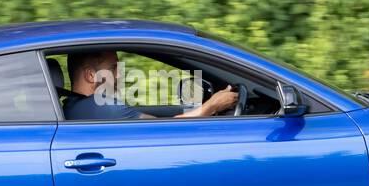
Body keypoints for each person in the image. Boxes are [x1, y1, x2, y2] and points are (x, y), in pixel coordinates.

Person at [62, 50, 239, 120]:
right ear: (91, 75)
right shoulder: (106, 108)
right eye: (113, 68)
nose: (120, 74)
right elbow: (166, 130)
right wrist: (212, 105)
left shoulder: (72, 107)